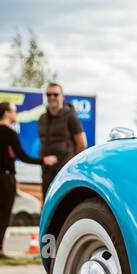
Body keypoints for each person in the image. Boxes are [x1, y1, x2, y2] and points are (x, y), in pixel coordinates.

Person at [1, 101, 42, 245]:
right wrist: (44, 161)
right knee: (4, 213)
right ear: (6, 113)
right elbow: (23, 156)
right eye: (14, 111)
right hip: (6, 178)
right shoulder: (10, 133)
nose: (15, 114)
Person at [37, 83, 86, 196]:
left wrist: (70, 165)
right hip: (46, 170)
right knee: (46, 202)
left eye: (55, 94)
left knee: (63, 203)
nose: (52, 97)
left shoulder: (71, 117)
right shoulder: (42, 118)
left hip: (64, 170)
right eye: (49, 94)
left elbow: (82, 144)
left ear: (62, 97)